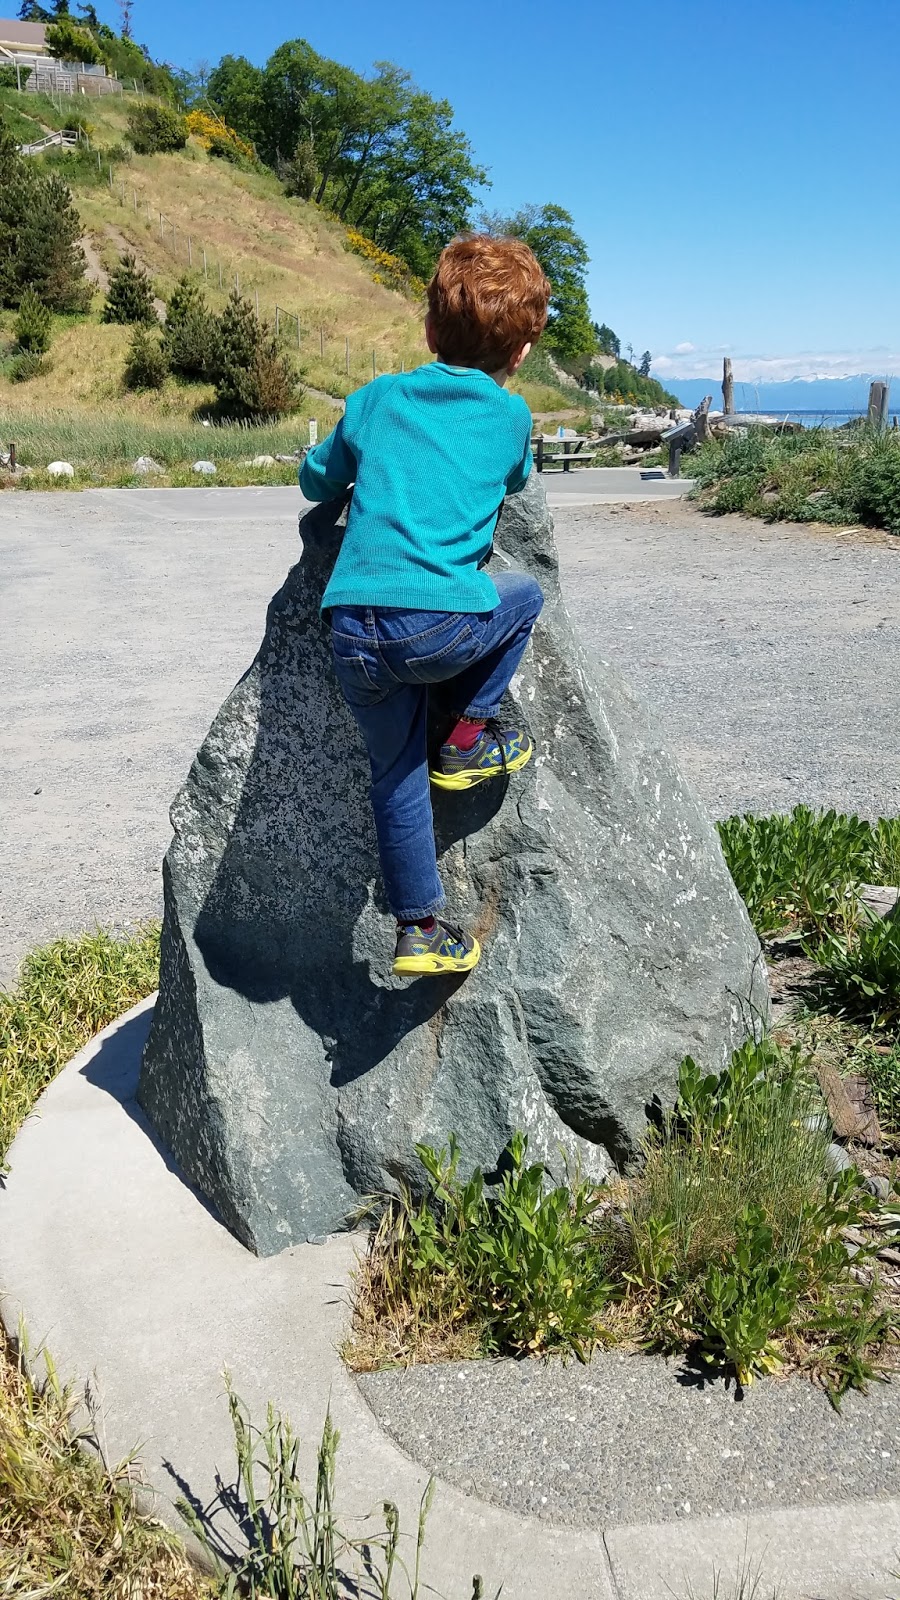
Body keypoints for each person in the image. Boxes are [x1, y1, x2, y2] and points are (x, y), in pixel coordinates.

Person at [299, 233, 550, 978]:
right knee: (524, 595)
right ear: (524, 352)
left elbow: (317, 482)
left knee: (394, 774)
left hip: (351, 630)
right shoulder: (509, 418)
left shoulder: (375, 400)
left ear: (430, 329)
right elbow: (513, 482)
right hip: (439, 626)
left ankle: (420, 930)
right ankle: (470, 735)